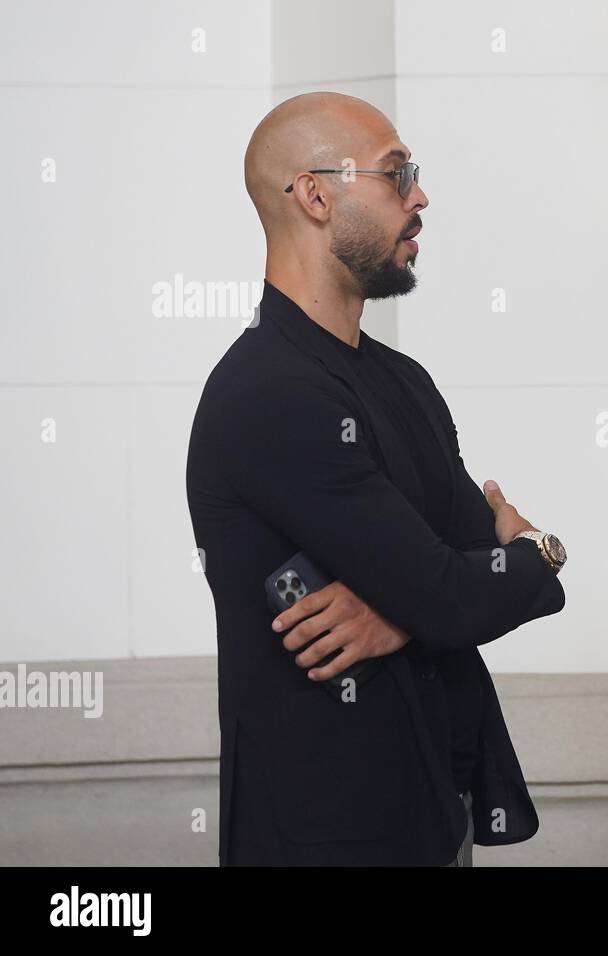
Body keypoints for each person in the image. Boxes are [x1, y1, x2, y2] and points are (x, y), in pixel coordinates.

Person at [186, 92, 568, 866]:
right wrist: (532, 552)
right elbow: (461, 588)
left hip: (433, 804)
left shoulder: (402, 381)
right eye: (398, 174)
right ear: (316, 195)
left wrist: (414, 608)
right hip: (327, 830)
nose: (420, 196)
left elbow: (452, 584)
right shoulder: (272, 391)